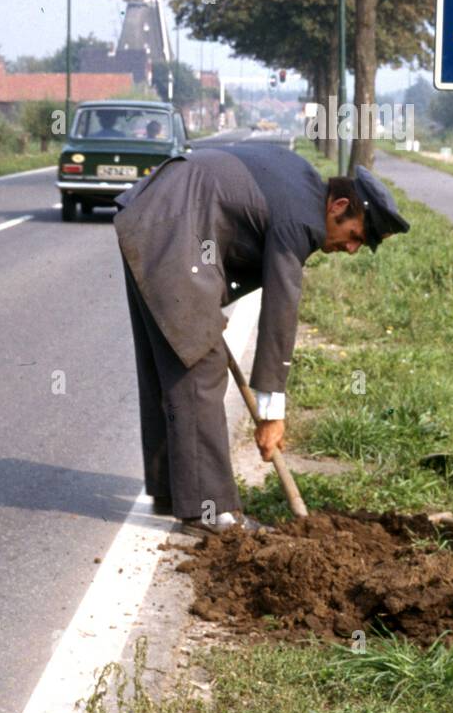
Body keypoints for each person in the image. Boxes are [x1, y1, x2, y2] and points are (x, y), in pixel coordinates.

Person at [114, 141, 409, 529]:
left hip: (156, 213)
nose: (352, 249)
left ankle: (174, 490)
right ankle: (210, 509)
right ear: (338, 207)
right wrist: (272, 414)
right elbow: (280, 313)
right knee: (201, 363)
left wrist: (207, 298)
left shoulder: (303, 182)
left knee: (170, 358)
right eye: (355, 235)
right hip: (174, 224)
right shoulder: (302, 221)